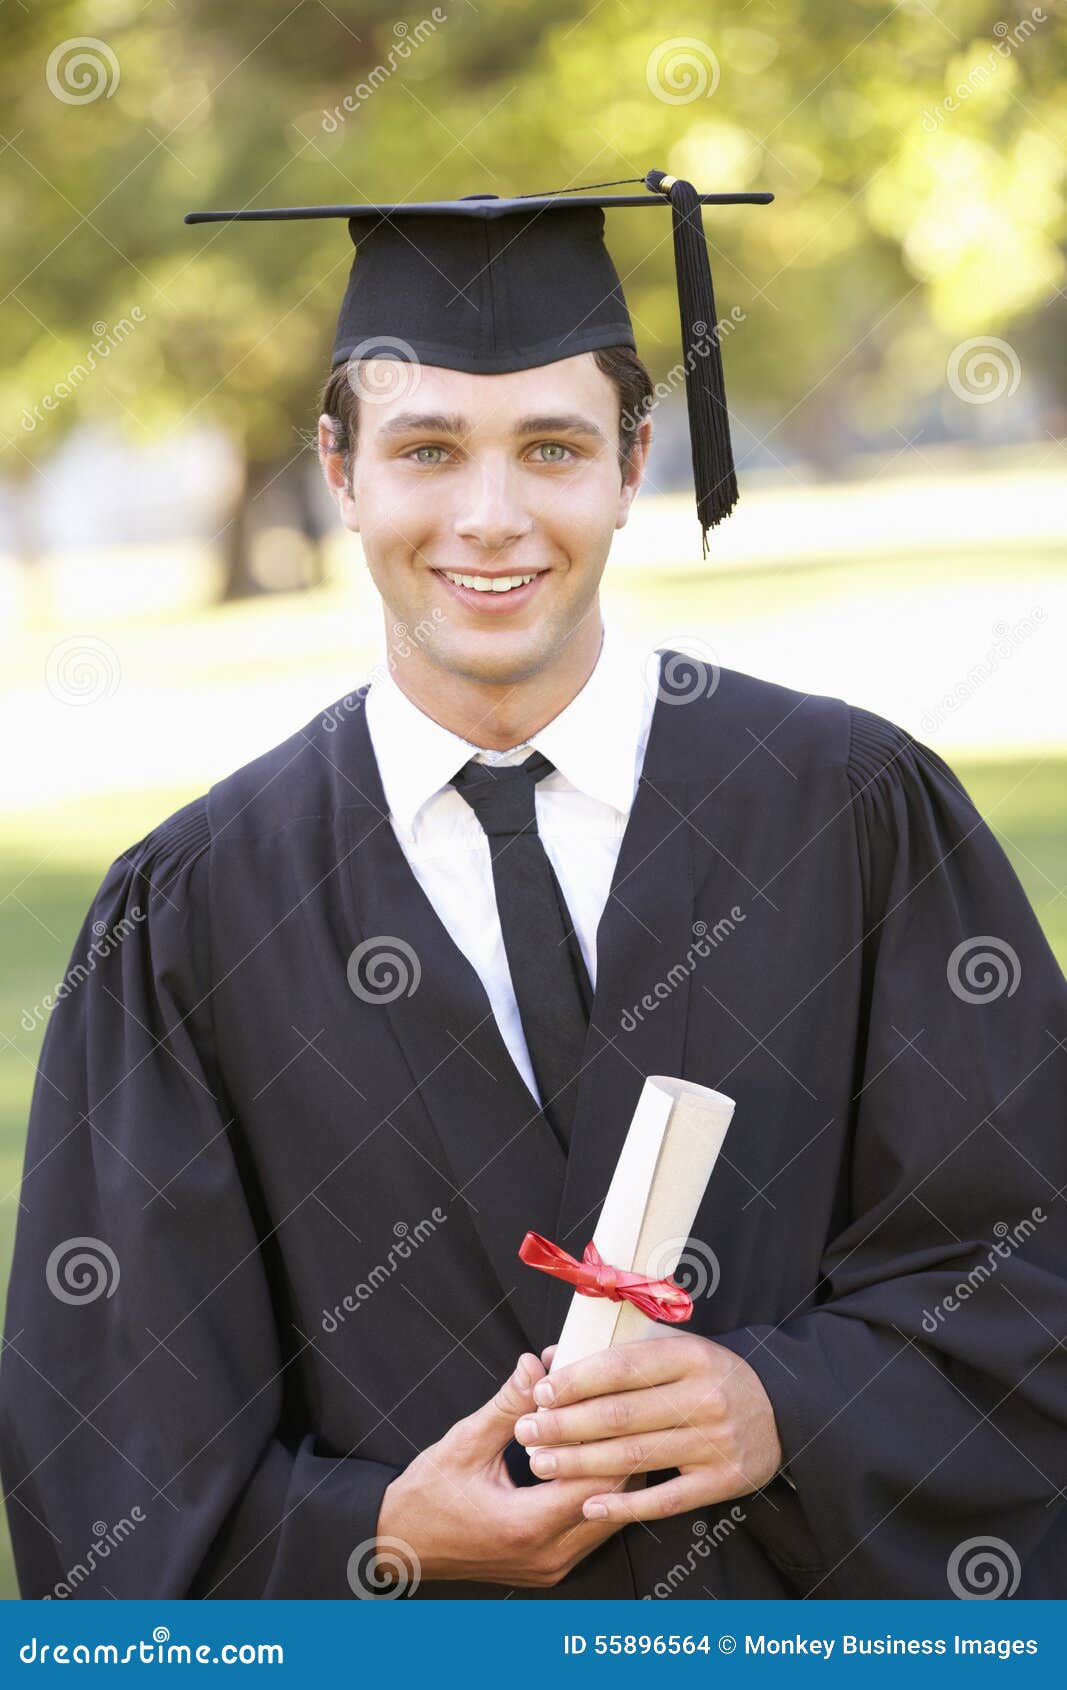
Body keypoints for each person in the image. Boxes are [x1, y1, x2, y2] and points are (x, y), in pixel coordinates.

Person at [2, 172, 1065, 1602]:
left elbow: (1027, 1271)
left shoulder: (851, 815)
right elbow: (104, 1457)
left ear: (634, 463)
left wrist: (786, 1406)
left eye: (551, 448)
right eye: (428, 449)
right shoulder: (193, 913)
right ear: (340, 469)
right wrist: (378, 1535)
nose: (492, 518)